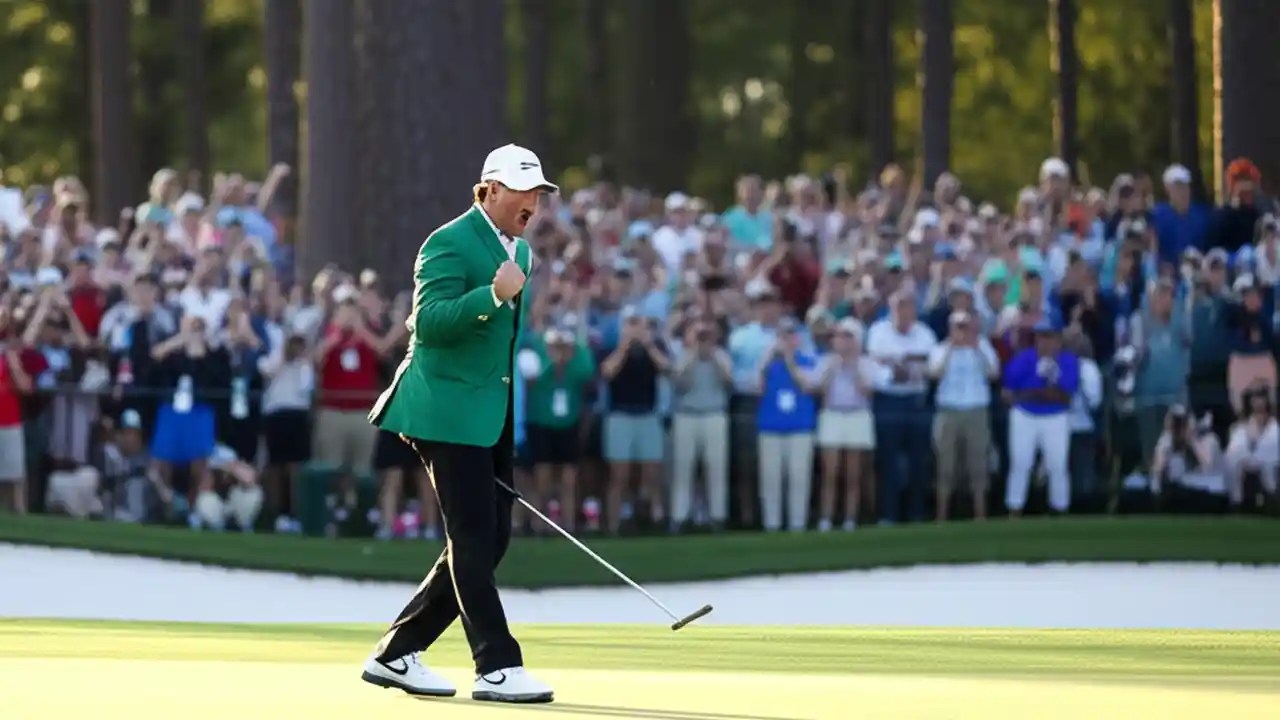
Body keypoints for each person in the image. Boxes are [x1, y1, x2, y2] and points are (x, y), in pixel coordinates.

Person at [363, 144, 557, 704]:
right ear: (491, 190)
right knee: (471, 537)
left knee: (490, 540)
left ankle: (397, 652)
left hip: (490, 411)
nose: (533, 202)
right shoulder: (446, 242)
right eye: (524, 190)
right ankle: (497, 665)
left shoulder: (521, 251)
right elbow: (429, 324)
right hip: (442, 410)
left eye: (539, 192)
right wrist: (492, 294)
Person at [927, 310, 999, 521]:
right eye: (958, 326)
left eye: (965, 326)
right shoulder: (941, 349)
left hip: (976, 411)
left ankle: (980, 515)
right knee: (945, 465)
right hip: (949, 411)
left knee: (978, 464)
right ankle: (941, 517)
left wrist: (976, 348)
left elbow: (993, 373)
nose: (963, 331)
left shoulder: (982, 346)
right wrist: (951, 348)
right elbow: (935, 373)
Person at [1003, 319, 1080, 516]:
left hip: (1056, 416)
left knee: (1057, 465)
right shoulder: (1024, 358)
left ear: (1059, 339)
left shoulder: (1068, 361)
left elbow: (1066, 396)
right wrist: (1042, 392)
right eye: (1041, 336)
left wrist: (1033, 392)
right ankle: (1014, 511)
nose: (1045, 342)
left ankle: (1059, 511)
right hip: (1024, 415)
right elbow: (1008, 393)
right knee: (1020, 463)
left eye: (1049, 336)